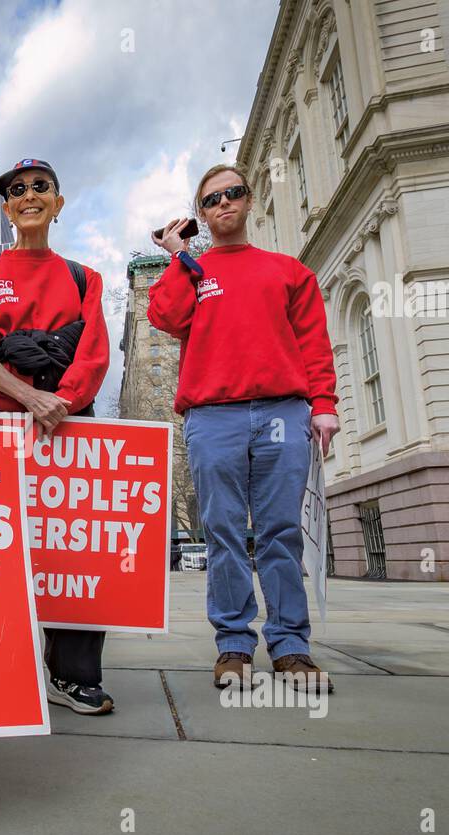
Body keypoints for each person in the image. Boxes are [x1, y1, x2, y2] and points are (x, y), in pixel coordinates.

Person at [148, 163, 340, 694]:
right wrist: (178, 256)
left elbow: (313, 344)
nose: (223, 204)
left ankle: (291, 648)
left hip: (284, 411)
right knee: (225, 534)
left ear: (250, 200)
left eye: (232, 194)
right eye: (210, 200)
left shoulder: (288, 271)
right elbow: (164, 316)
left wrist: (323, 405)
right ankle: (233, 645)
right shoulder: (194, 269)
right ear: (201, 214)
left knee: (281, 533)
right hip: (213, 417)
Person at [0, 158, 113, 715]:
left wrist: (60, 400)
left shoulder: (85, 277)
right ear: (7, 207)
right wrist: (28, 397)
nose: (29, 195)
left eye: (41, 186)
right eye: (17, 191)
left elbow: (92, 352)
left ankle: (71, 674)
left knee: (73, 547)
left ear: (58, 202)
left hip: (68, 420)